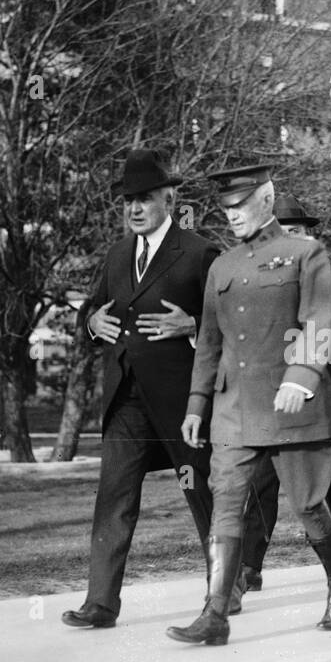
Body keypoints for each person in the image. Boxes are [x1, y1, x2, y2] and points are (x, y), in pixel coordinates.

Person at [168, 165, 331, 646]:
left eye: (240, 206)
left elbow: (319, 322)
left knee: (309, 506)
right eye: (226, 208)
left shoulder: (305, 254)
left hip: (291, 407)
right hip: (234, 409)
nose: (231, 216)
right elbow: (208, 342)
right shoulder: (221, 267)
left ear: (267, 201)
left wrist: (301, 377)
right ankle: (215, 613)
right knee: (226, 504)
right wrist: (196, 404)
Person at [61, 150, 222, 630]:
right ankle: (101, 604)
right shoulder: (115, 254)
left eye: (144, 198)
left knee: (203, 496)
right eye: (128, 200)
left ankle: (224, 590)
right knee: (114, 497)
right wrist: (91, 322)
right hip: (125, 398)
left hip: (183, 402)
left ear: (168, 199)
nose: (134, 208)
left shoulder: (198, 252)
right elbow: (88, 312)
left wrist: (191, 325)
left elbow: (228, 324)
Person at [238, 194, 331, 591]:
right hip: (272, 403)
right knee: (262, 482)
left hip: (317, 402)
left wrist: (324, 397)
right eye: (282, 232)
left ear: (308, 236)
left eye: (295, 231)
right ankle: (249, 567)